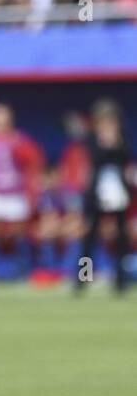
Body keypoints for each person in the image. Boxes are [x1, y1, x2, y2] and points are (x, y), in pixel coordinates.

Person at [76, 99, 133, 293]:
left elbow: (125, 158)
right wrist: (105, 144)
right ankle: (83, 279)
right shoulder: (92, 139)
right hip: (98, 193)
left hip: (118, 192)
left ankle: (121, 281)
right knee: (90, 238)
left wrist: (115, 143)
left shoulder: (122, 138)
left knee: (121, 237)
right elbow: (95, 158)